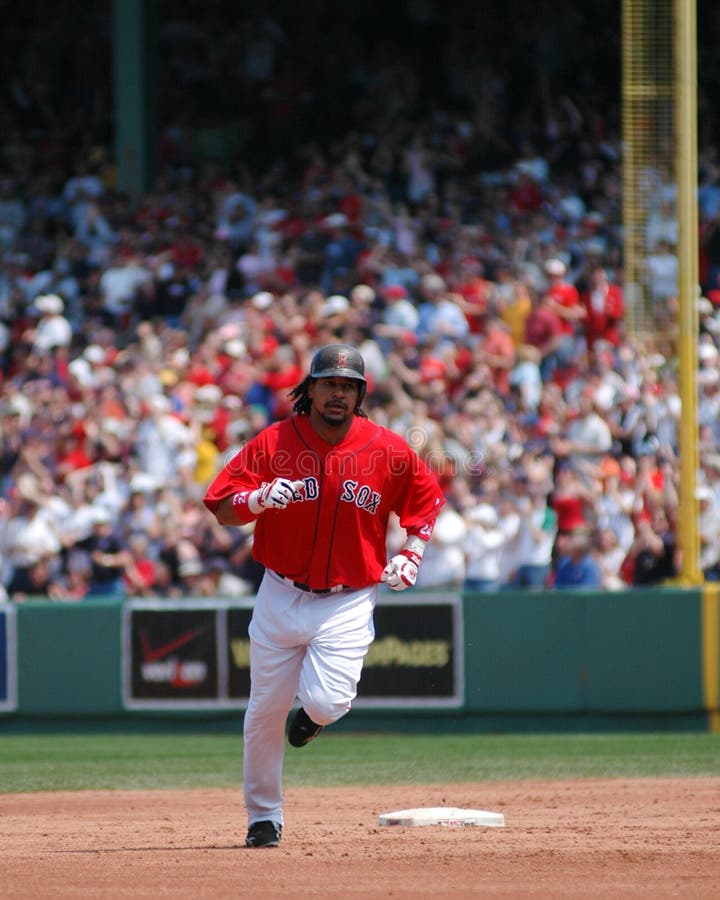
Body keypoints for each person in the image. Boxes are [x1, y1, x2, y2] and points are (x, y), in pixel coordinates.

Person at [203, 343, 445, 849]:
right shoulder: (274, 442)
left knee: (328, 700)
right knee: (264, 711)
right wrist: (257, 499)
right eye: (329, 383)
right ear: (309, 389)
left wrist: (413, 551)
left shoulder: (386, 449)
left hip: (347, 599)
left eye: (348, 386)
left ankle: (314, 720)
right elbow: (222, 505)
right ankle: (263, 817)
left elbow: (427, 500)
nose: (338, 393)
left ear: (360, 395)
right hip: (280, 592)